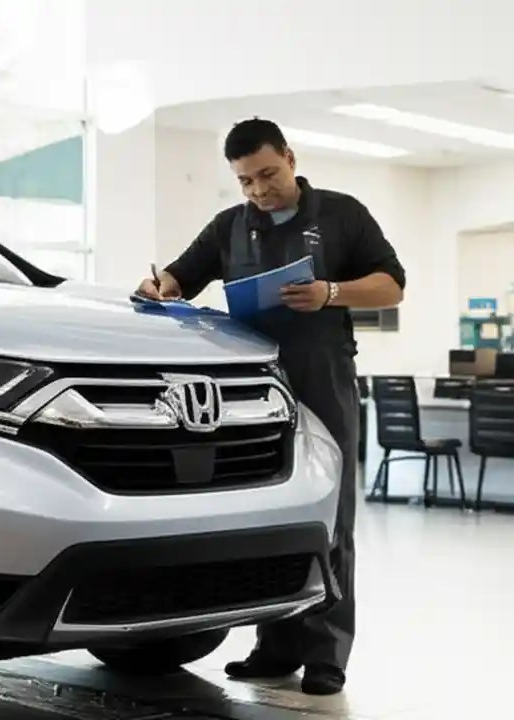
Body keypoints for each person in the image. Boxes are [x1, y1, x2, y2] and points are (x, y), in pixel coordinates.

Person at [137, 118, 405, 696]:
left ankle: (327, 654)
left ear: (290, 157)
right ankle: (274, 647)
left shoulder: (342, 213)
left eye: (267, 174)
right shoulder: (228, 228)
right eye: (245, 181)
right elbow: (179, 277)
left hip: (323, 377)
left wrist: (332, 292)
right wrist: (159, 288)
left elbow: (392, 285)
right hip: (255, 389)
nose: (259, 190)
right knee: (267, 517)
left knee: (329, 520)